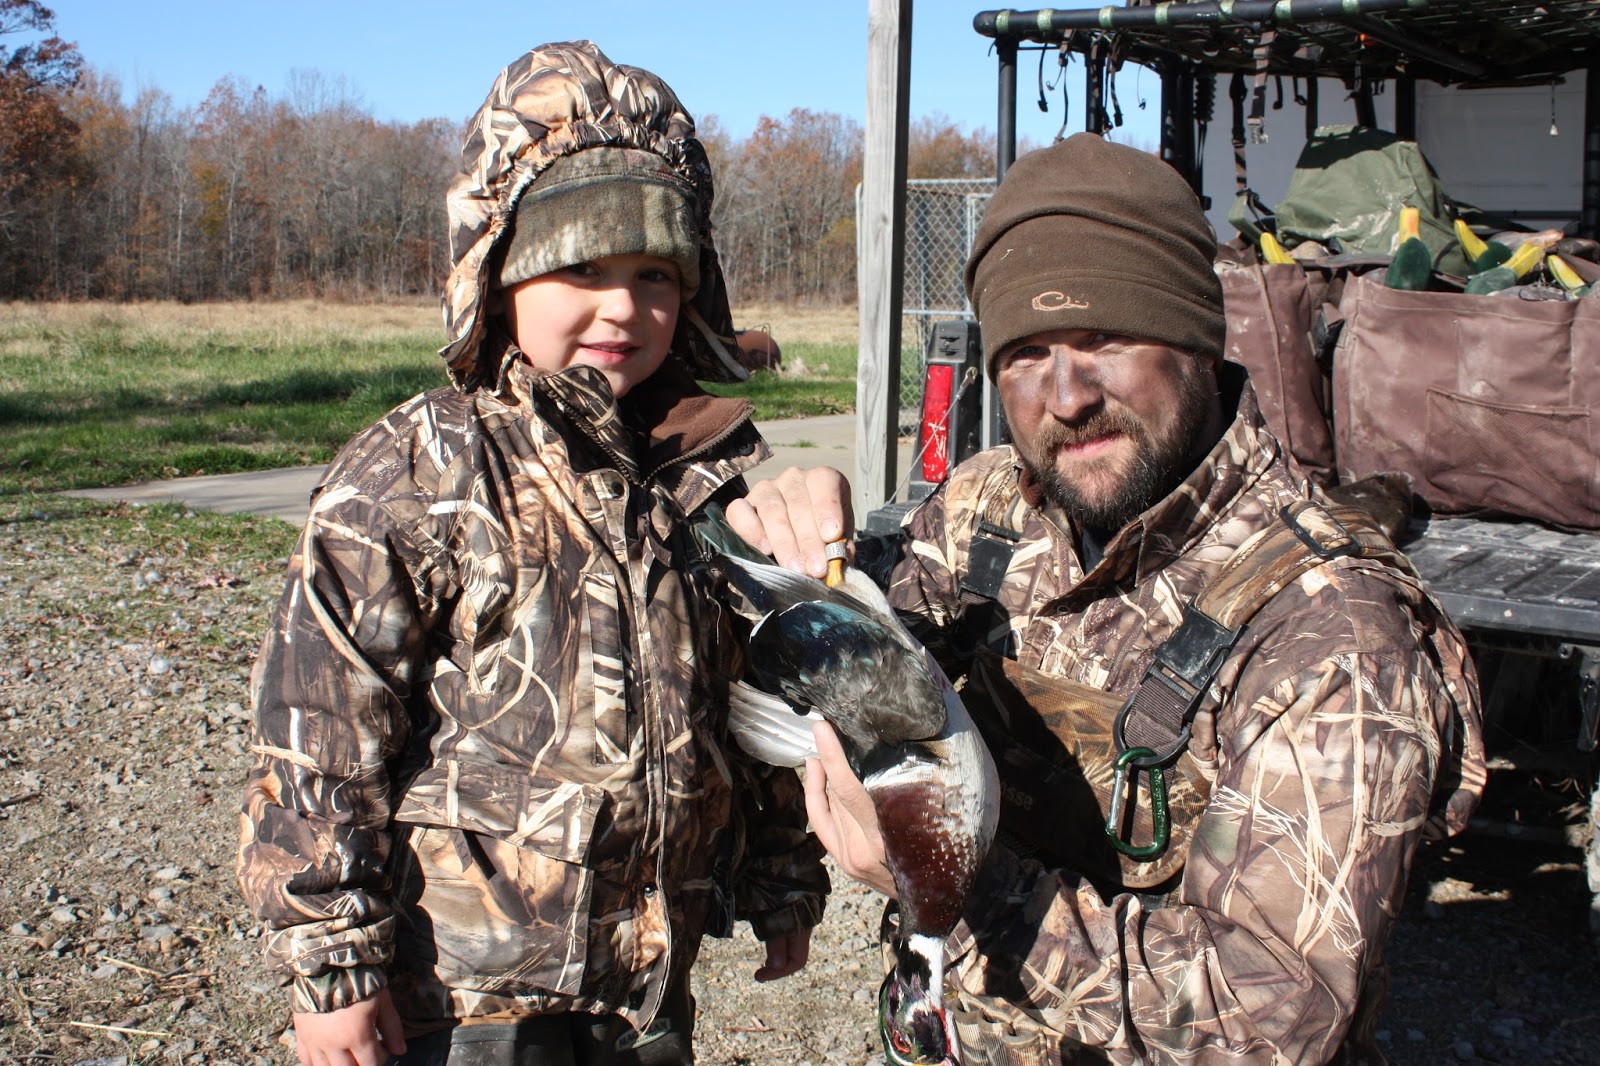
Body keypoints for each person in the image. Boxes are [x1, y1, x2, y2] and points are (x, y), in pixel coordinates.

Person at [787, 133, 1487, 1065]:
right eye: (1027, 352)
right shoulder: (986, 509)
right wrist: (785, 547)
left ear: (1197, 336)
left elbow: (1275, 1021)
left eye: (1104, 337)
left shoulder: (1333, 631)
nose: (1066, 395)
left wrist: (951, 879)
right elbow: (837, 669)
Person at [236, 41, 838, 1066]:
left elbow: (752, 702)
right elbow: (320, 732)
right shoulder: (421, 467)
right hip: (464, 1001)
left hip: (647, 985)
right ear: (499, 270)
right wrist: (336, 963)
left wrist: (782, 869)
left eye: (655, 275)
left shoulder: (696, 478)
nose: (622, 308)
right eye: (581, 268)